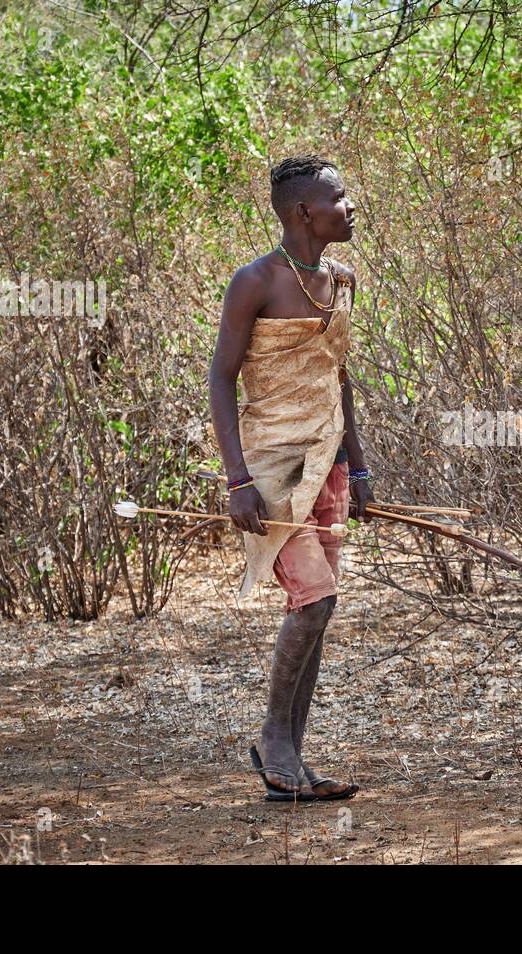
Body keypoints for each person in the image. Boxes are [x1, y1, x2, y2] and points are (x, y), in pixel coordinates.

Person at [208, 155, 374, 801]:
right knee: (315, 600)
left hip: (327, 462)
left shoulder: (340, 279)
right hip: (272, 467)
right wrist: (237, 481)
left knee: (320, 606)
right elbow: (221, 379)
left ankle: (292, 767)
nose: (351, 206)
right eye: (340, 197)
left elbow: (338, 377)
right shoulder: (254, 280)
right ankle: (276, 742)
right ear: (305, 211)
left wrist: (357, 466)